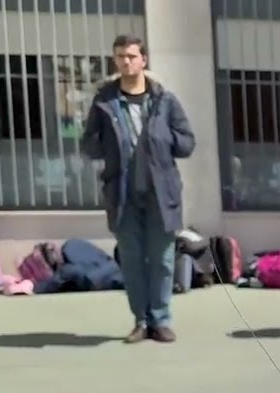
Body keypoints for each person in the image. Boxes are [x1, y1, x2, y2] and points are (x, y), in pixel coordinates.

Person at [81, 34, 195, 343]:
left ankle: (160, 319)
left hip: (161, 194)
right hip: (123, 194)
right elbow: (88, 145)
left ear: (143, 60)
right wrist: (105, 142)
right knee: (131, 260)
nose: (126, 62)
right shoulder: (105, 102)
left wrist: (162, 140)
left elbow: (187, 143)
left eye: (131, 56)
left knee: (161, 259)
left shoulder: (164, 101)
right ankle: (141, 321)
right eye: (120, 56)